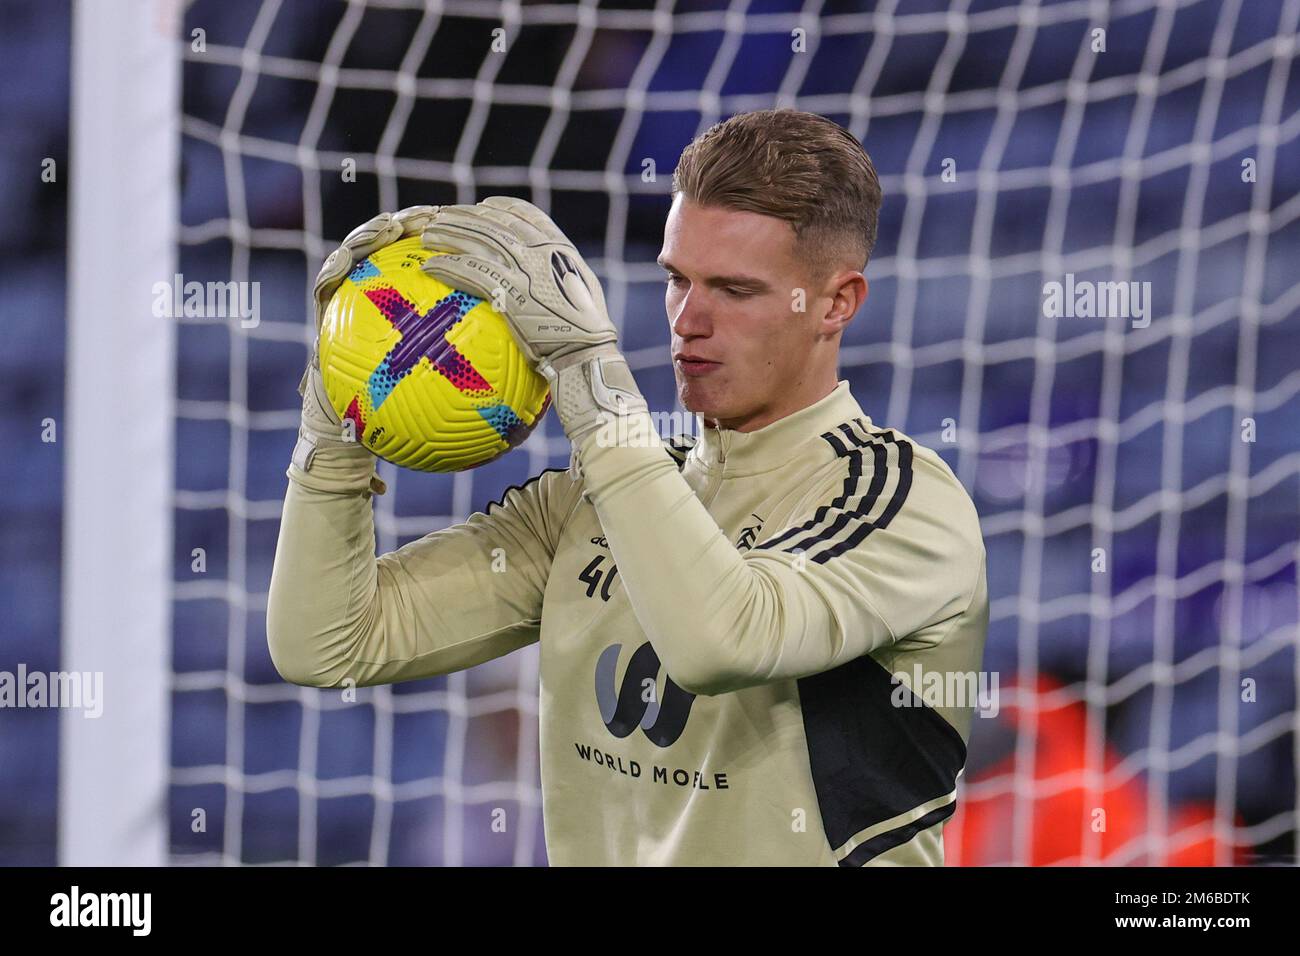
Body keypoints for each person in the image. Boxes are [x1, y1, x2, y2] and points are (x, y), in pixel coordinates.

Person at [268, 108, 988, 866]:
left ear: (837, 303)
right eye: (677, 279)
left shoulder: (902, 501)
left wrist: (592, 385)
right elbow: (327, 645)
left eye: (735, 290)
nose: (688, 319)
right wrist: (334, 423)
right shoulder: (592, 498)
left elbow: (721, 641)